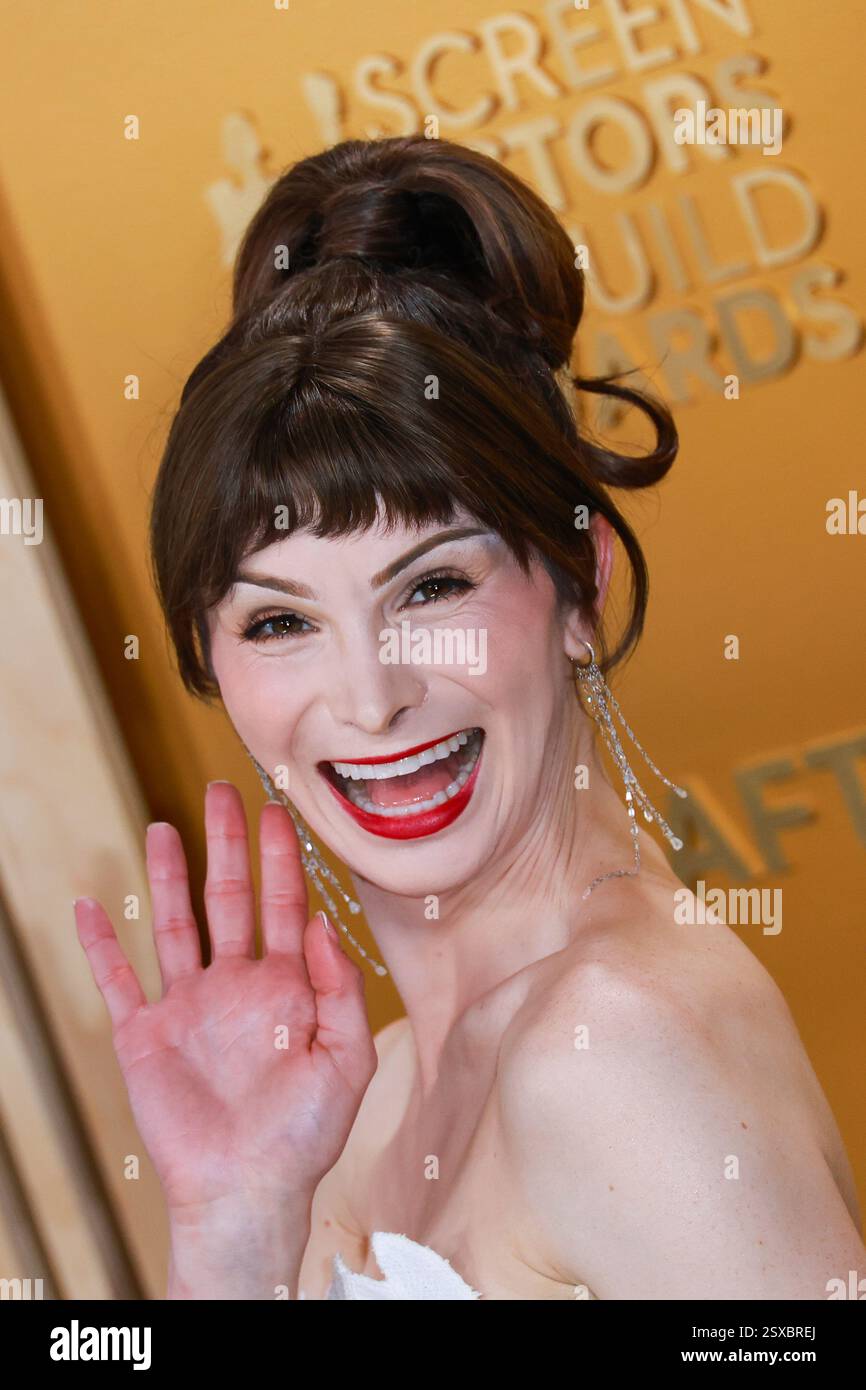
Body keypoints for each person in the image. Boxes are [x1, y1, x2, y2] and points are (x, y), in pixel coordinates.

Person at [74, 134, 865, 1300]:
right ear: (209, 659)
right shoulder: (367, 1096)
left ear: (579, 584)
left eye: (433, 587)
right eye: (280, 623)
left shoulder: (611, 1046)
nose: (372, 695)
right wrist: (230, 1234)